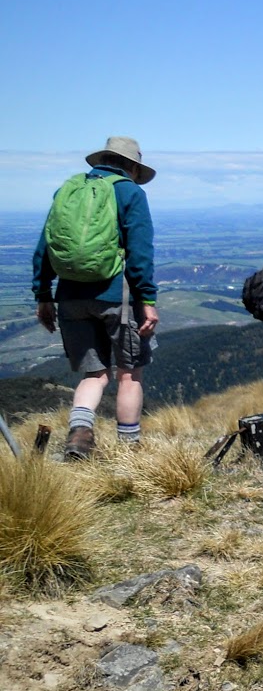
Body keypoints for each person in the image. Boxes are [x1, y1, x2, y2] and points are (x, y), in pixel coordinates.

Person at [31, 137, 160, 459]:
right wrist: (147, 300)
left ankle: (79, 434)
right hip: (118, 298)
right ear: (133, 167)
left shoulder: (68, 191)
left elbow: (45, 247)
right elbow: (140, 253)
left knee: (95, 375)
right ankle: (129, 450)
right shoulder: (130, 193)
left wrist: (44, 295)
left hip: (70, 296)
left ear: (103, 159)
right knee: (129, 373)